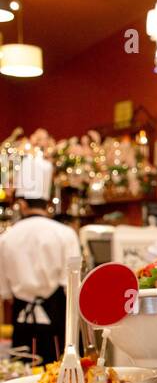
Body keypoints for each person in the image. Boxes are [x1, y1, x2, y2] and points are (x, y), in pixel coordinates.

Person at [0, 156, 80, 366]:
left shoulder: (6, 238)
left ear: (21, 204)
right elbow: (72, 286)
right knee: (58, 380)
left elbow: (5, 291)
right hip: (57, 320)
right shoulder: (65, 234)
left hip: (22, 322)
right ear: (47, 203)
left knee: (20, 380)